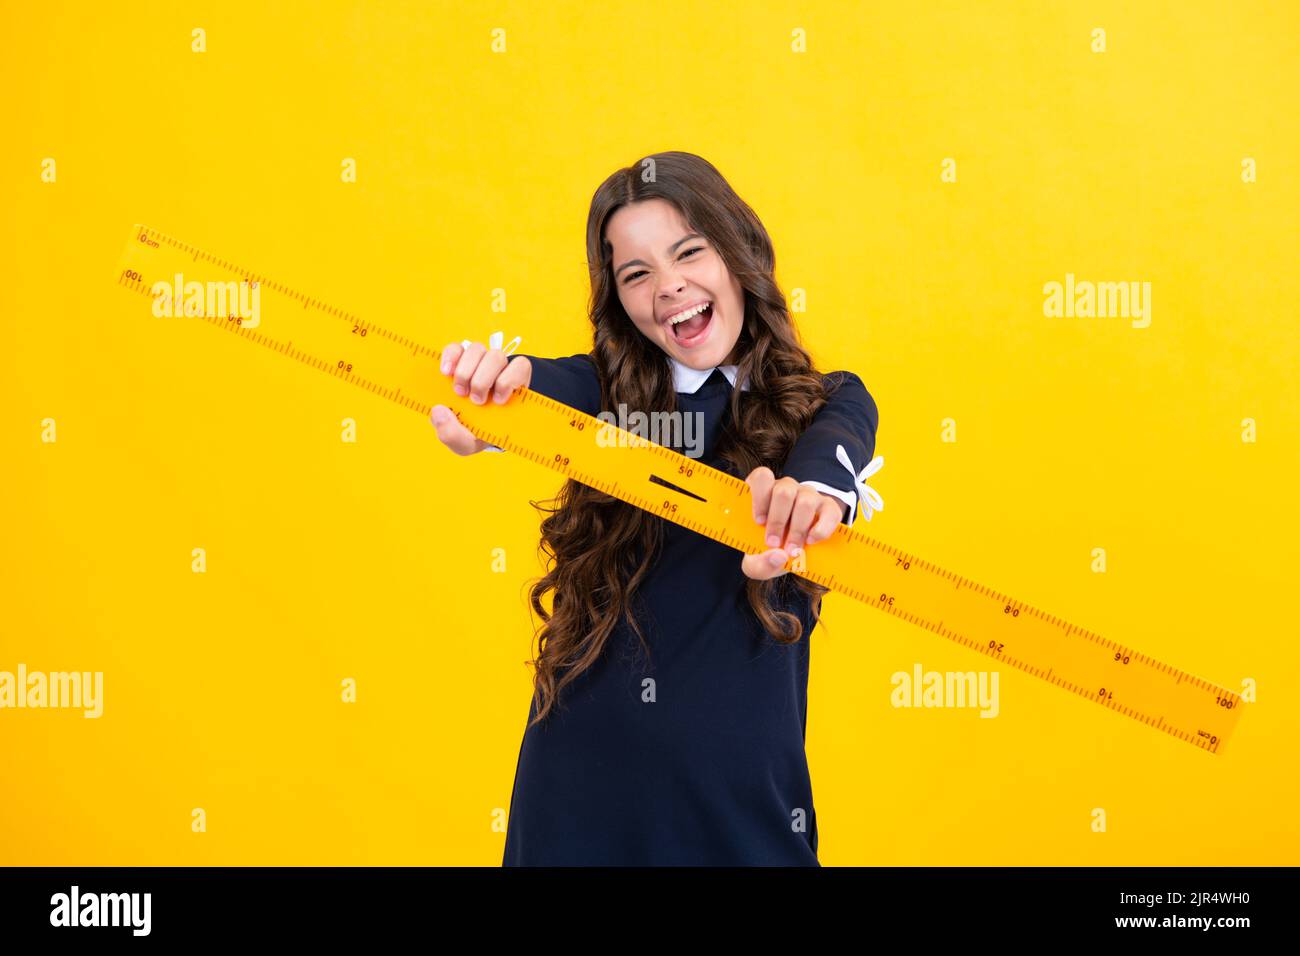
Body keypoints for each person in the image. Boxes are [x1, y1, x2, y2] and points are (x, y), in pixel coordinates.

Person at [431, 151, 882, 865]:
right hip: (577, 795)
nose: (669, 286)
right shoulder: (608, 400)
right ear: (620, 302)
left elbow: (836, 453)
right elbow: (539, 389)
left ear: (740, 253)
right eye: (636, 273)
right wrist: (491, 397)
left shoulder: (827, 406)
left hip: (742, 807)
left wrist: (811, 500)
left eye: (688, 252)